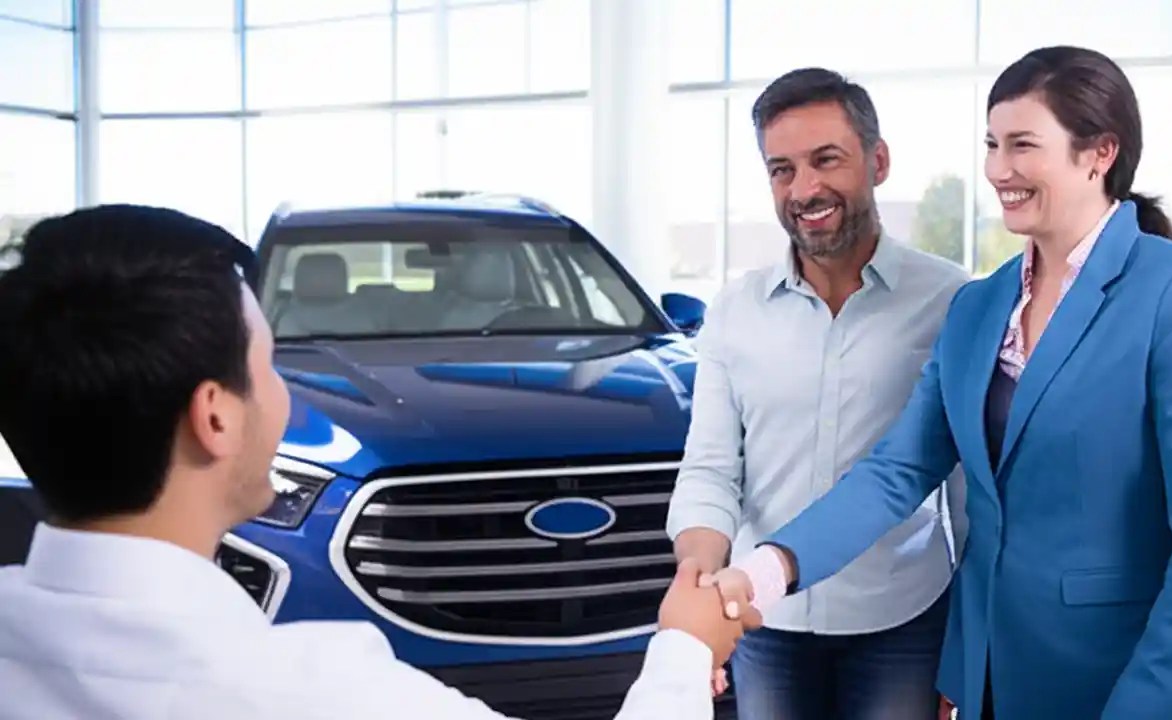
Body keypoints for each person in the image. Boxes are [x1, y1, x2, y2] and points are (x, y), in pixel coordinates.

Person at [0, 204, 753, 720]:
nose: (279, 396)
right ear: (216, 417)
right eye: (266, 362)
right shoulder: (325, 692)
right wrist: (685, 651)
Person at [701, 45, 1172, 720]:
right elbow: (897, 471)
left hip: (1130, 683)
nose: (998, 169)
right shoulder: (979, 306)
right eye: (992, 144)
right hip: (996, 679)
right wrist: (763, 572)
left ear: (1099, 153)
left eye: (1022, 145)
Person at [666, 67, 970, 719]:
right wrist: (701, 589)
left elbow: (969, 491)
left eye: (826, 160)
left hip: (902, 619)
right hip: (764, 621)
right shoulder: (734, 311)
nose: (804, 189)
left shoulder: (952, 301)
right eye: (782, 170)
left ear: (878, 161)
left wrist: (971, 648)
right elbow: (712, 470)